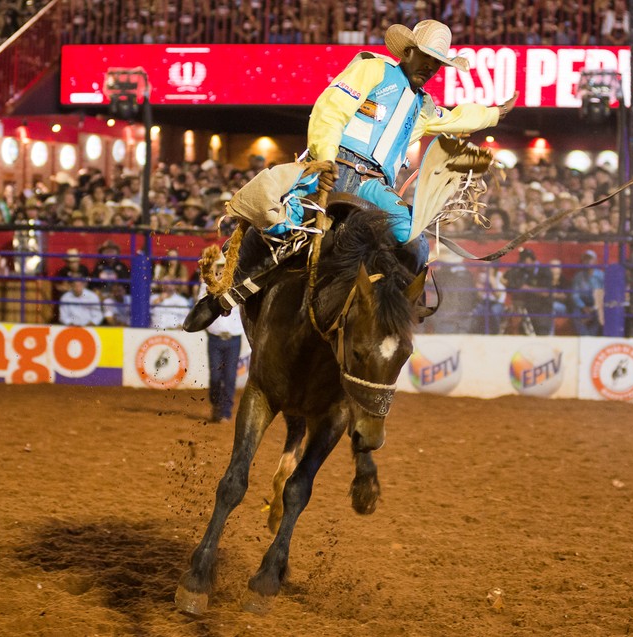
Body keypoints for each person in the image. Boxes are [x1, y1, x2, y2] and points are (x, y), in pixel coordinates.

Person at [184, 19, 516, 332]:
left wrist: (491, 114)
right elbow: (331, 110)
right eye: (428, 58)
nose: (431, 68)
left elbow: (453, 119)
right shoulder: (373, 69)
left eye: (438, 64)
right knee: (276, 223)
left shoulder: (422, 106)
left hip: (375, 185)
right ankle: (218, 297)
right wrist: (326, 160)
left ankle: (401, 309)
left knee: (414, 243)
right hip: (336, 167)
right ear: (409, 52)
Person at [200, 254, 245, 423]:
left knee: (230, 377)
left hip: (232, 338)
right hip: (216, 338)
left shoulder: (238, 285)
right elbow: (201, 308)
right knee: (216, 376)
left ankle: (225, 411)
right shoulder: (206, 287)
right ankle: (217, 405)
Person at [570, 249, 605, 336]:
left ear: (596, 261)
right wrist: (583, 307)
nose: (588, 261)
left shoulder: (601, 276)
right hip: (582, 304)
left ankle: (590, 338)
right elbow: (575, 295)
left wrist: (594, 308)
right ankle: (586, 337)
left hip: (596, 304)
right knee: (575, 314)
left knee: (600, 313)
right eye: (585, 259)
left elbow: (604, 295)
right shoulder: (578, 276)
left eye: (590, 259)